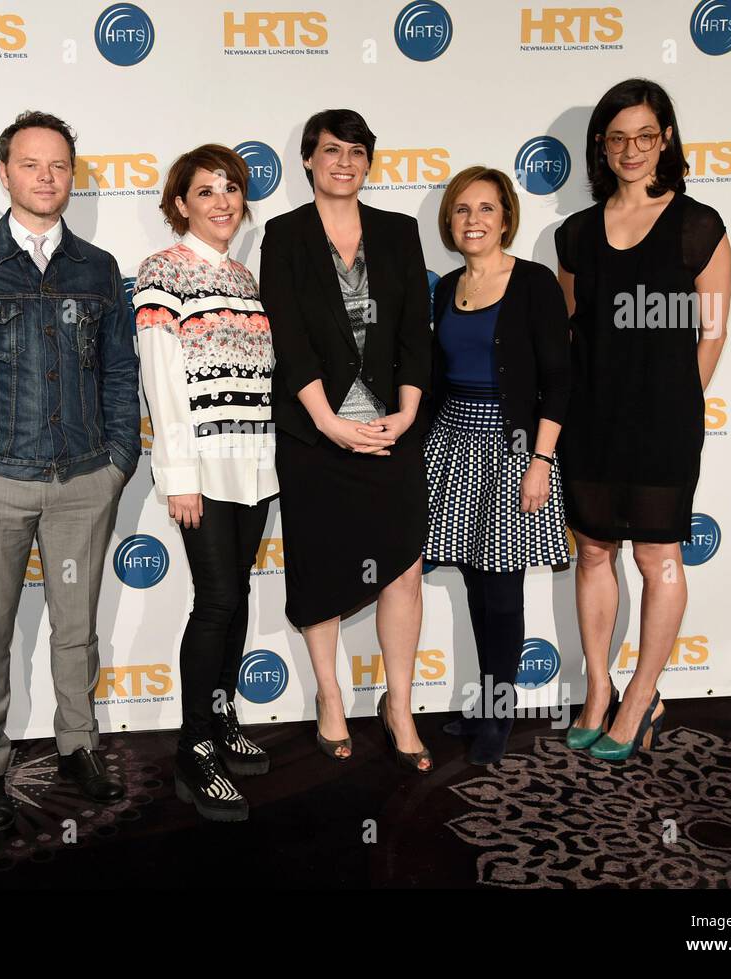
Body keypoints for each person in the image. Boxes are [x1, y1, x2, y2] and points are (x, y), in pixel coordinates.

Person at [0, 111, 141, 830]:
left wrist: (119, 461)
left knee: (75, 627)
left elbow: (121, 371)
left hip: (85, 479)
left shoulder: (98, 268)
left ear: (71, 175)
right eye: (31, 165)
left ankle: (77, 744)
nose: (46, 178)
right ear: (5, 173)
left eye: (58, 165)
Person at [555, 78, 731, 761]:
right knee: (594, 549)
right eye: (618, 137)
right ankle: (597, 688)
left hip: (663, 425)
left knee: (658, 556)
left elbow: (710, 332)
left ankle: (642, 694)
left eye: (645, 135)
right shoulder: (574, 233)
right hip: (591, 421)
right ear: (602, 146)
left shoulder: (698, 225)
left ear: (666, 140)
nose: (632, 149)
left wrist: (676, 404)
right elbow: (573, 333)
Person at [259, 109, 433, 772]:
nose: (344, 162)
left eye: (357, 152)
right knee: (322, 564)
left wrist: (409, 410)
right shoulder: (284, 235)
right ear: (308, 159)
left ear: (369, 162)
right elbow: (289, 336)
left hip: (393, 431)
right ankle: (331, 698)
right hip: (316, 435)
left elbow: (417, 330)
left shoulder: (398, 232)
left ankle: (401, 705)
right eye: (331, 151)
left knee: (403, 569)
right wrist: (329, 422)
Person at [133, 145, 279, 821]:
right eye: (206, 191)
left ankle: (222, 715)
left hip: (255, 464)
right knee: (216, 596)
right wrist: (179, 476)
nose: (222, 201)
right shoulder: (163, 272)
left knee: (238, 593)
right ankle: (192, 749)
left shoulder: (246, 279)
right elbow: (160, 383)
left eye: (231, 189)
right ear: (181, 204)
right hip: (203, 469)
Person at [424, 166, 571, 766]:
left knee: (504, 591)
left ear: (506, 217)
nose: (474, 220)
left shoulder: (533, 282)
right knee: (476, 589)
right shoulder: (445, 287)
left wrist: (541, 458)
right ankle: (485, 700)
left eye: (486, 208)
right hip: (452, 439)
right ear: (449, 222)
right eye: (462, 210)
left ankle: (500, 712)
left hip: (514, 447)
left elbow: (560, 380)